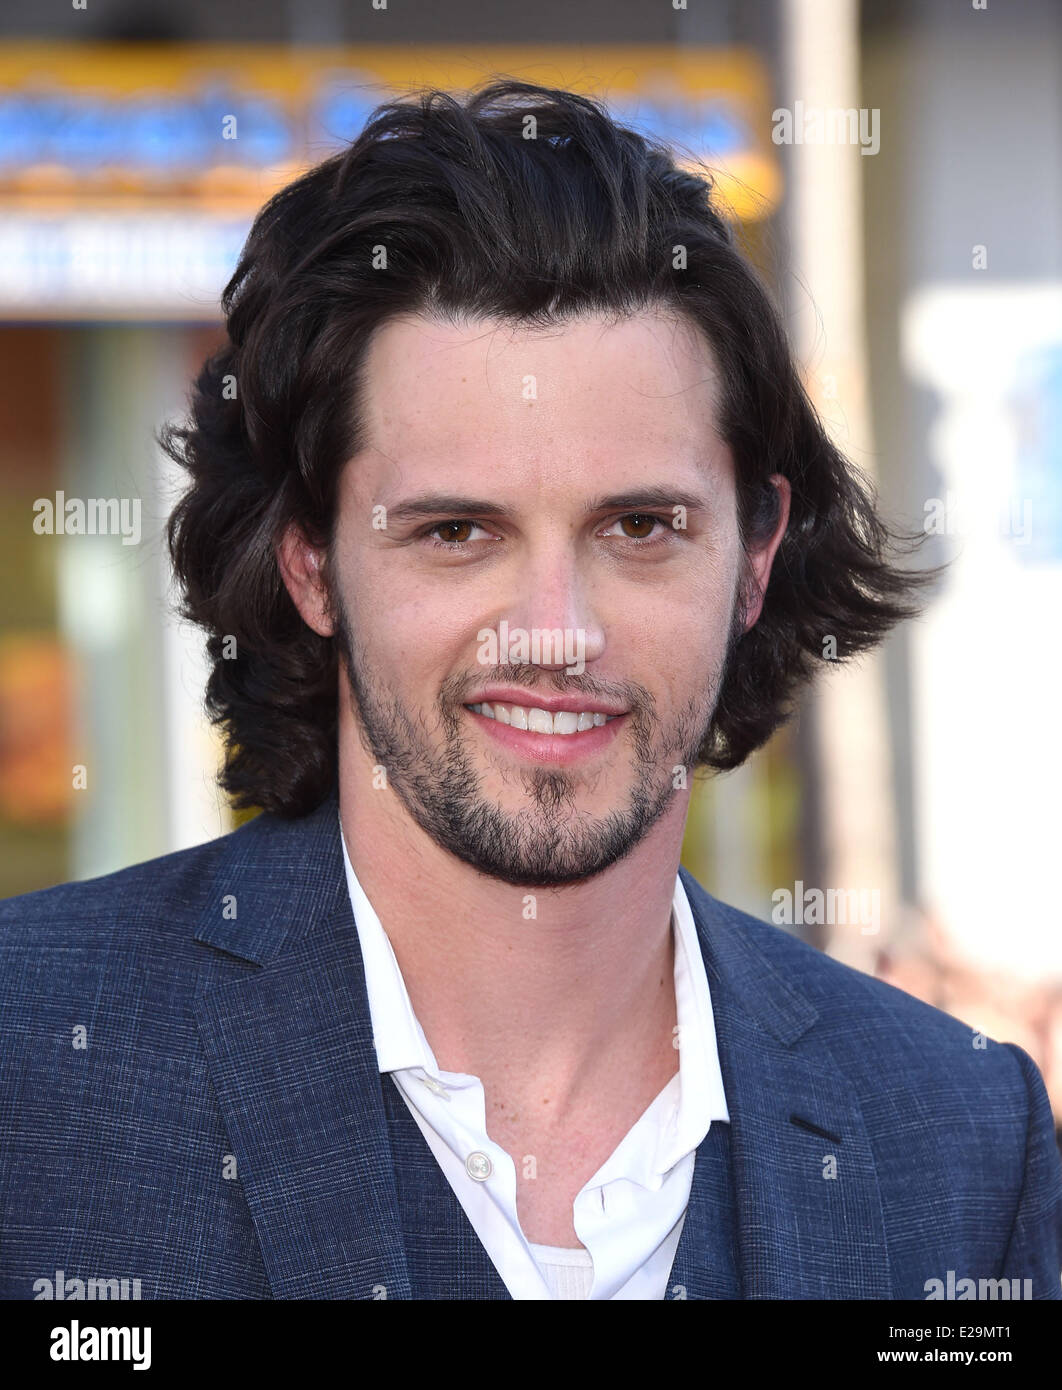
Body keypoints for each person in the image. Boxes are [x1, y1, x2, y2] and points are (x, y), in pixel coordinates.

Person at [1, 80, 1058, 1301]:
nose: (556, 632)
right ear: (311, 563)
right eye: (457, 532)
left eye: (641, 526)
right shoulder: (33, 1063)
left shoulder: (959, 1135)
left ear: (756, 553)